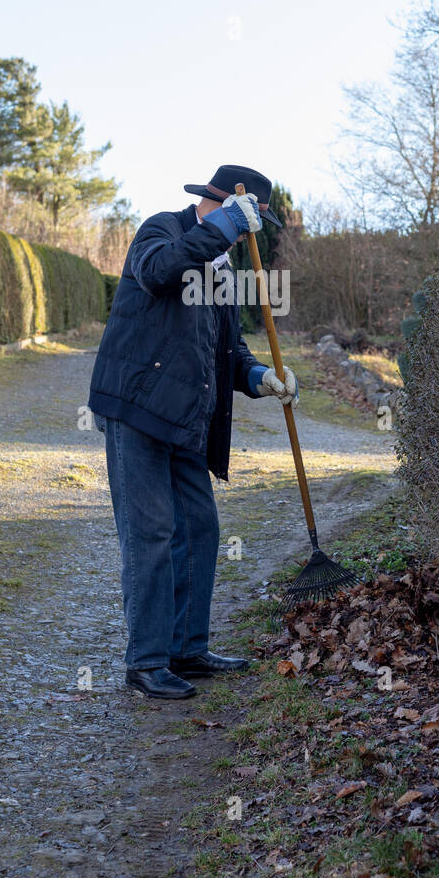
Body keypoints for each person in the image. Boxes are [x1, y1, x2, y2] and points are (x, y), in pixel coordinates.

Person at [88, 164, 298, 700]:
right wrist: (225, 225)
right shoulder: (162, 230)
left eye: (251, 224)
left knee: (200, 528)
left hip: (185, 419)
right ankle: (146, 662)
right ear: (224, 205)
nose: (249, 233)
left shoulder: (224, 268)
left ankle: (186, 648)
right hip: (136, 408)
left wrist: (261, 377)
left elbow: (229, 349)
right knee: (151, 533)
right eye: (247, 220)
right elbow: (159, 272)